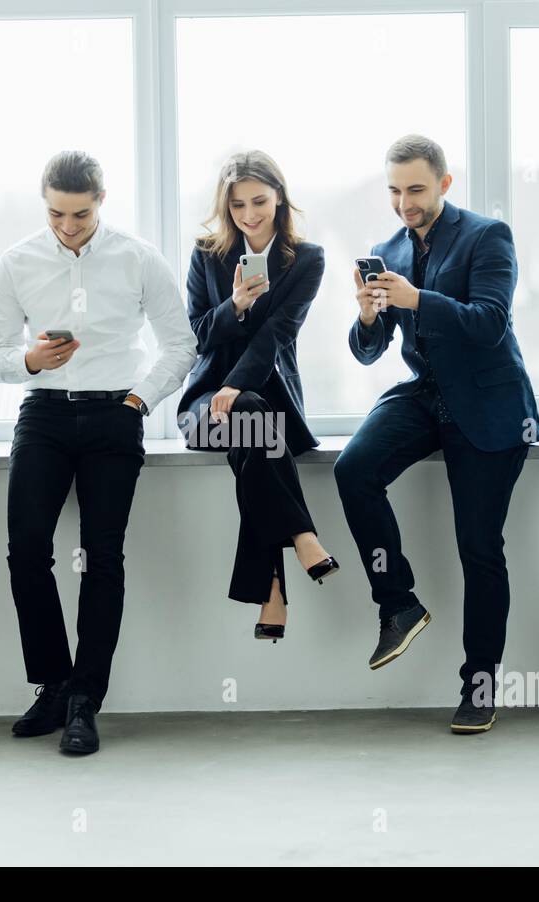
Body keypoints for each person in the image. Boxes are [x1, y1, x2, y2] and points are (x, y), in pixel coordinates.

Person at [0, 150, 197, 756]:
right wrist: (32, 360)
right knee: (26, 550)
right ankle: (53, 684)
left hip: (114, 415)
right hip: (44, 413)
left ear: (100, 201)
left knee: (103, 556)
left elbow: (180, 344)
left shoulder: (138, 257)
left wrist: (139, 400)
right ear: (44, 202)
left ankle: (85, 700)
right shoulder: (17, 261)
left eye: (79, 215)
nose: (68, 226)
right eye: (56, 214)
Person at [333, 134, 539, 735]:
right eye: (395, 191)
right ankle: (397, 601)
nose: (405, 203)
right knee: (354, 469)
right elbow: (370, 352)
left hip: (490, 401)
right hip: (426, 394)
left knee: (479, 549)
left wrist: (418, 298)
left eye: (416, 190)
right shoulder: (386, 248)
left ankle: (479, 687)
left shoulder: (486, 236)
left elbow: (489, 323)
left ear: (445, 184)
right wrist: (370, 314)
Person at [178, 150, 338, 642]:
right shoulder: (206, 252)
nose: (249, 214)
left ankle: (272, 589)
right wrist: (235, 305)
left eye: (260, 201)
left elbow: (279, 333)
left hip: (267, 404)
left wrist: (237, 384)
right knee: (252, 421)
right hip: (207, 405)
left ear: (280, 197)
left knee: (253, 425)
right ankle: (303, 536)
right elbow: (198, 336)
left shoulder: (306, 259)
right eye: (238, 205)